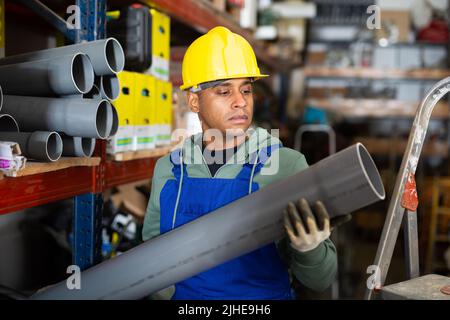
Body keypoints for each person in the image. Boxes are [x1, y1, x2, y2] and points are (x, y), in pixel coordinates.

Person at [143, 26, 342, 300]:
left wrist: (310, 248)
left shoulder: (286, 166)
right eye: (224, 92)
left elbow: (321, 280)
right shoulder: (169, 170)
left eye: (246, 90)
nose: (240, 102)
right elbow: (149, 268)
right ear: (194, 101)